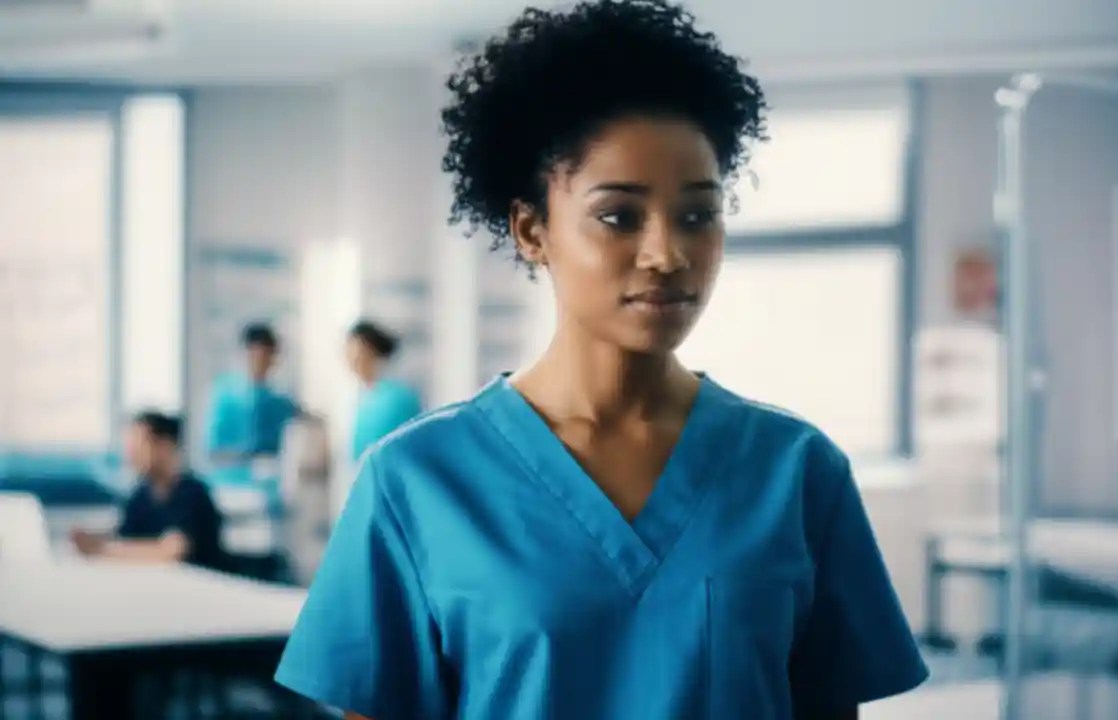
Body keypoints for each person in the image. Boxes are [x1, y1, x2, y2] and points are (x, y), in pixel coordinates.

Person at [275, 2, 927, 718]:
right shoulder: (417, 481)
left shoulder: (796, 473)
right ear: (531, 230)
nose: (667, 254)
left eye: (698, 215)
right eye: (619, 216)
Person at [73, 412, 225, 570]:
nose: (130, 455)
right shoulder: (140, 496)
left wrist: (101, 549)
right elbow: (126, 539)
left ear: (165, 445)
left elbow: (170, 552)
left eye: (138, 446)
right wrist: (93, 540)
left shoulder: (192, 494)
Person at [204, 323, 298, 485]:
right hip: (228, 484)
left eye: (266, 358)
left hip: (268, 485)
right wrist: (245, 457)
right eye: (255, 357)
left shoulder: (279, 403)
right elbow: (213, 450)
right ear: (244, 355)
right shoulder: (224, 399)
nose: (260, 364)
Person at [346, 320, 422, 460]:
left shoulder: (397, 398)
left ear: (370, 351)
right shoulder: (365, 399)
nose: (349, 358)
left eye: (354, 350)